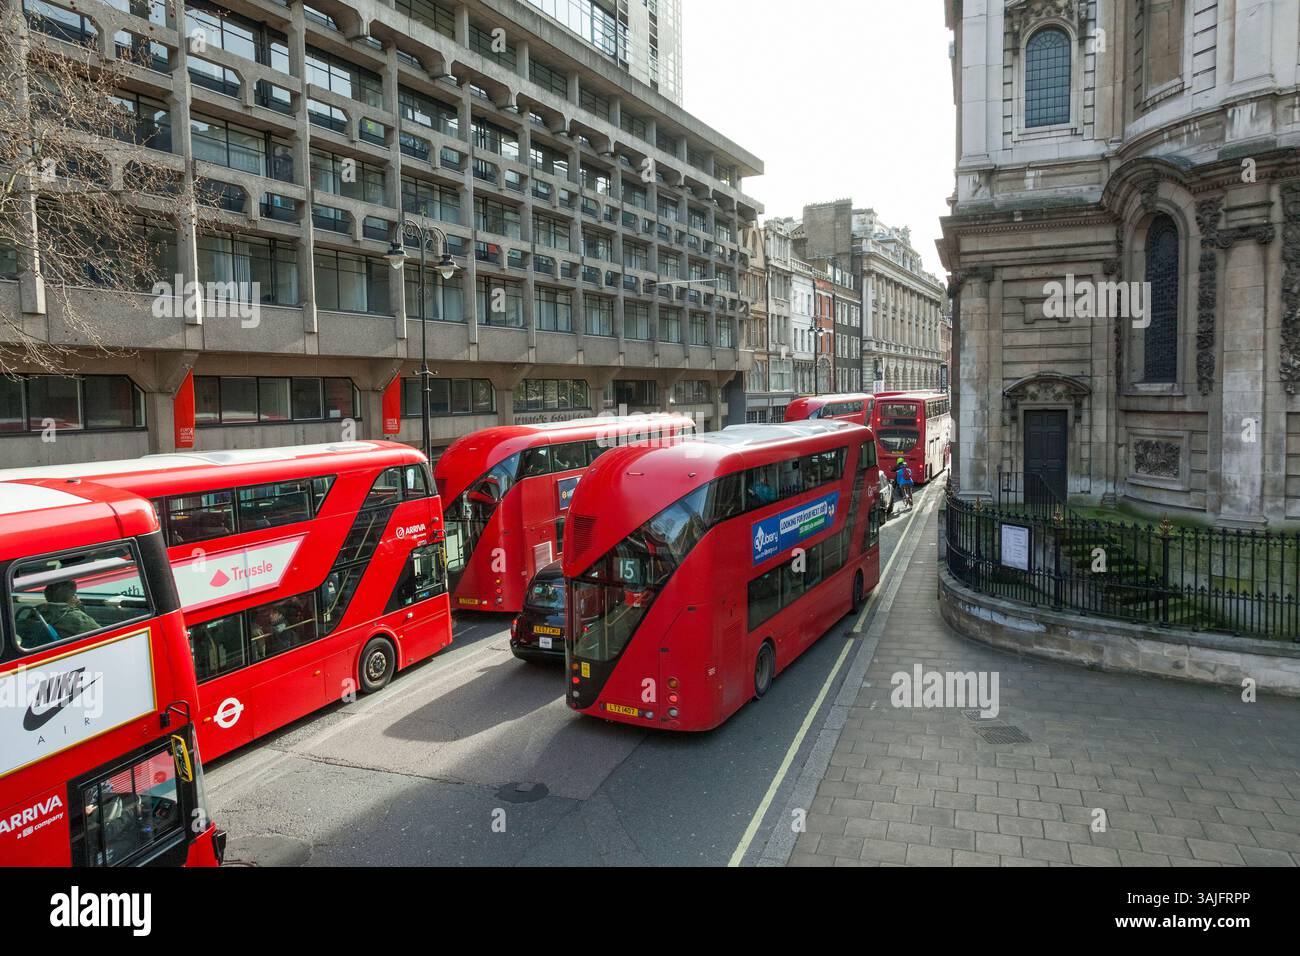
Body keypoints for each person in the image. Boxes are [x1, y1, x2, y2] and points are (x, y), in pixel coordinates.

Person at [33, 580, 100, 639]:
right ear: (72, 597)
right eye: (74, 594)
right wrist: (77, 608)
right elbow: (101, 635)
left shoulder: (36, 614)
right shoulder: (78, 618)